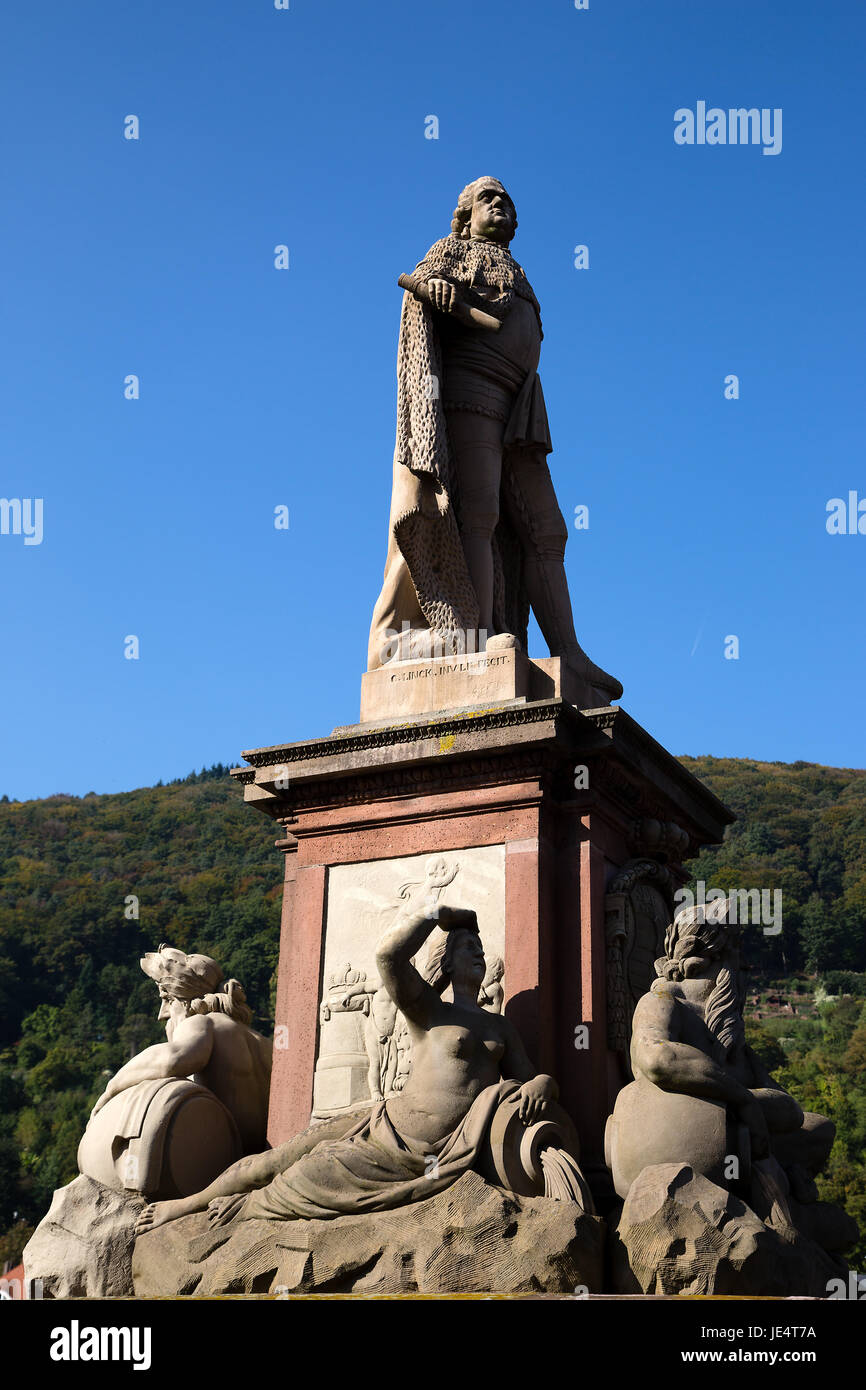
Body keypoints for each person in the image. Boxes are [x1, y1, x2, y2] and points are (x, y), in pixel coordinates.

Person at [135, 905, 558, 1233]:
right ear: (446, 963)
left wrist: (543, 1084)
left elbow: (532, 1078)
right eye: (469, 948)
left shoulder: (500, 1026)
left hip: (440, 1149)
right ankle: (184, 1205)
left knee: (306, 1174)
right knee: (275, 1159)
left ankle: (251, 1207)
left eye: (481, 949)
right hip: (389, 1126)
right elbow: (388, 956)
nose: (479, 954)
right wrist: (435, 913)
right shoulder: (429, 1010)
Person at [367, 176, 621, 708]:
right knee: (479, 514)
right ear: (465, 215)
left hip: (520, 409)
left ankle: (567, 651)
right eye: (489, 198)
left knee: (546, 528)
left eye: (507, 198)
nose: (501, 204)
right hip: (469, 391)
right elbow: (424, 304)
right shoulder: (448, 250)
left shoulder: (517, 271)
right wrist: (435, 295)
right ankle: (473, 639)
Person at [91, 944, 272, 1154]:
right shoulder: (261, 1041)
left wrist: (111, 1089)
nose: (162, 1014)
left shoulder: (205, 1023)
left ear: (184, 1000)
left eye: (166, 1000)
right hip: (266, 1156)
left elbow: (174, 1059)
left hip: (230, 1164)